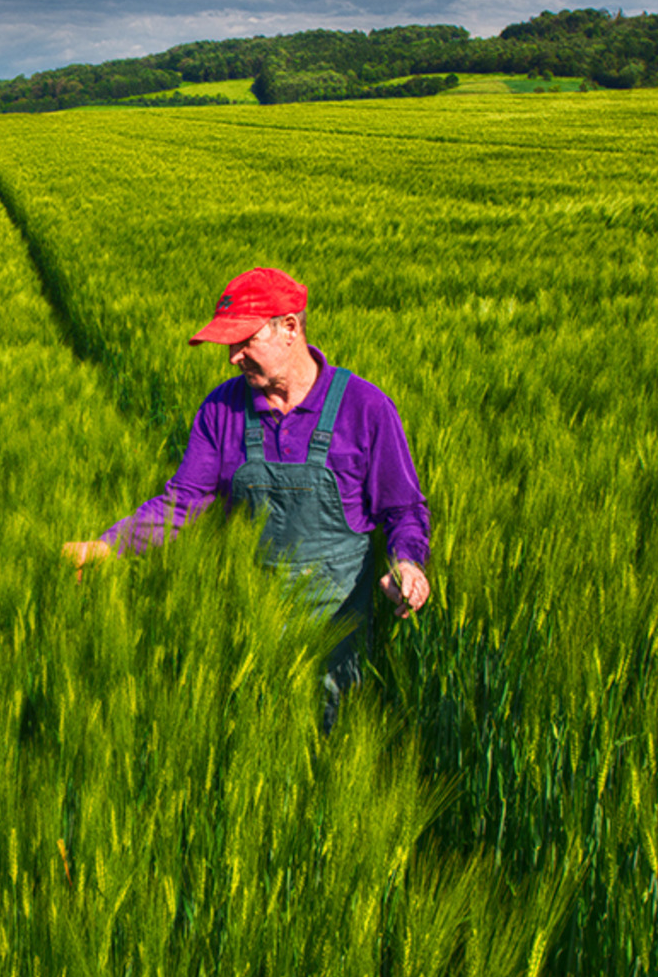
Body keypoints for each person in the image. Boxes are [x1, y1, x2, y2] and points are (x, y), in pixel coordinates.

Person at [62, 267, 431, 732]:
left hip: (338, 635)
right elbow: (183, 502)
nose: (233, 357)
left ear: (290, 328)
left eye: (243, 341)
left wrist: (409, 564)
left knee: (332, 741)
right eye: (228, 345)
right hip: (249, 624)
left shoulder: (365, 408)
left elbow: (403, 510)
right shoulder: (221, 410)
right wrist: (108, 546)